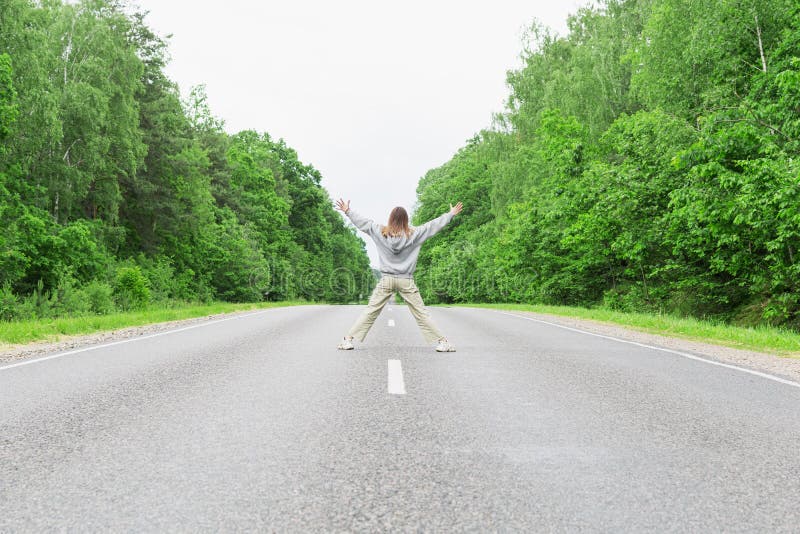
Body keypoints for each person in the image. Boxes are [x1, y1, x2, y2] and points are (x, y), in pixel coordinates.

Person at [334, 198, 463, 352]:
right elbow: (433, 226)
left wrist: (348, 211)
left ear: (391, 219)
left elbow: (363, 223)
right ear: (405, 220)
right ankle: (443, 342)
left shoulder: (379, 231)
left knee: (371, 310)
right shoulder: (415, 234)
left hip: (387, 279)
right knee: (421, 313)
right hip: (406, 280)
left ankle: (348, 340)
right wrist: (450, 214)